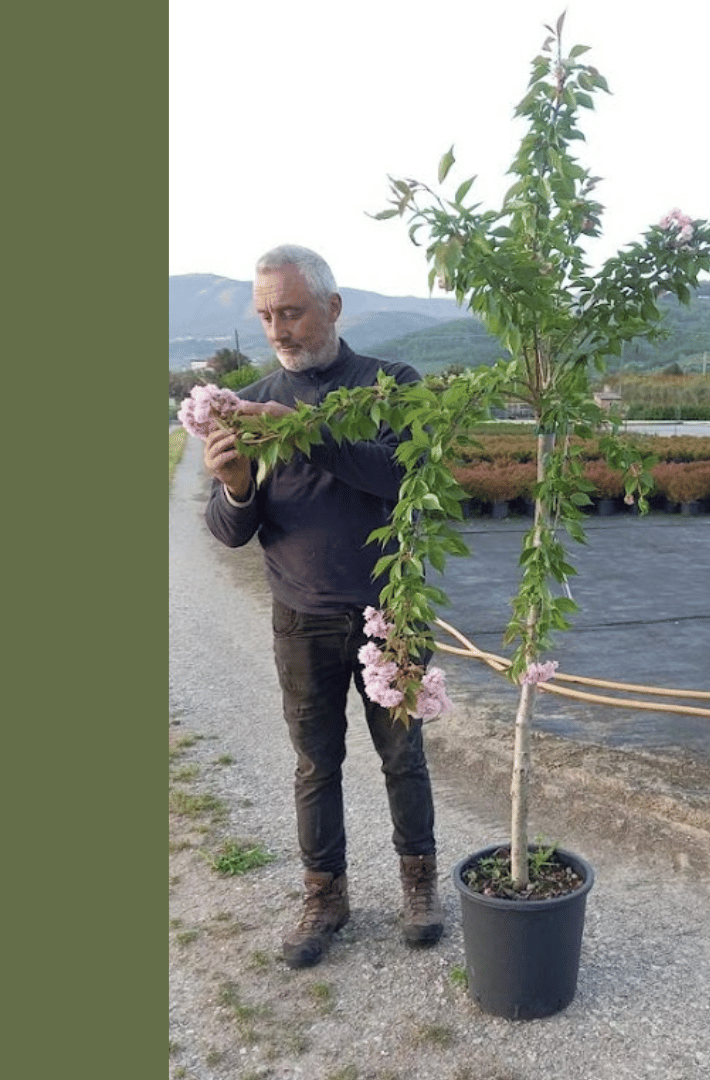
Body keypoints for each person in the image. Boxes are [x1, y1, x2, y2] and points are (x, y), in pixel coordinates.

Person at [203, 244, 443, 968]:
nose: (280, 328)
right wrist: (239, 481)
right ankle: (324, 895)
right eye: (268, 315)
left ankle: (419, 885)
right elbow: (226, 529)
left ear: (333, 309)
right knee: (315, 764)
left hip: (390, 610)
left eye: (293, 311)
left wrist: (304, 433)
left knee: (403, 756)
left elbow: (404, 472)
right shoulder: (251, 400)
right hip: (300, 619)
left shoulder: (390, 384)